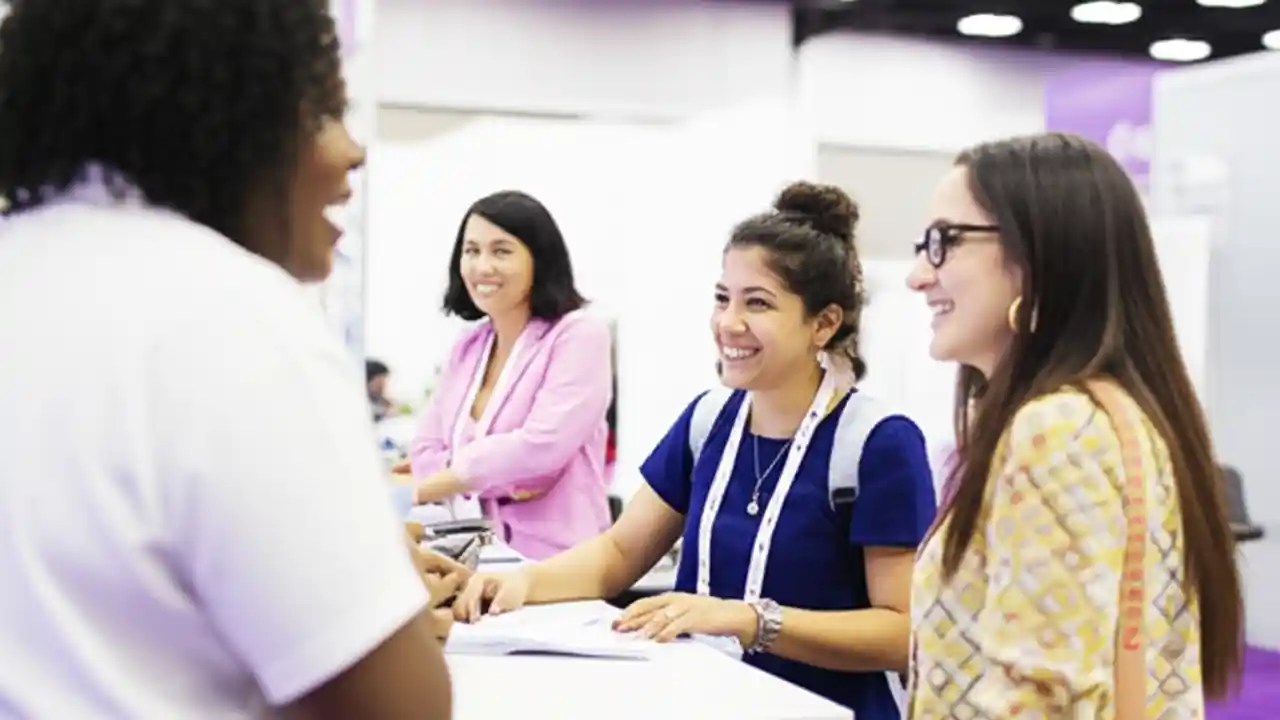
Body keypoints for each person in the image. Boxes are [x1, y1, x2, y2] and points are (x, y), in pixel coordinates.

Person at [0, 2, 451, 718]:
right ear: (233, 110)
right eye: (325, 110)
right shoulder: (233, 316)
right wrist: (387, 609)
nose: (352, 151)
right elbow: (403, 708)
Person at [454, 181, 938, 718]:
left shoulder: (878, 443)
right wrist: (522, 581)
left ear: (823, 323)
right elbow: (617, 556)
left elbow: (900, 632)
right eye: (722, 298)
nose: (729, 323)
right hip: (703, 701)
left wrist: (747, 619)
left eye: (758, 303)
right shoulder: (710, 423)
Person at [904, 132, 1244, 717]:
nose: (916, 275)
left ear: (1038, 253)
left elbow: (1041, 702)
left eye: (943, 242)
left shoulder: (1058, 430)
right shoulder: (1108, 414)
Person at [406, 190, 613, 560]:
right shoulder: (468, 346)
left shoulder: (578, 335)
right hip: (468, 560)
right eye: (471, 251)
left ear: (540, 260)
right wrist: (498, 477)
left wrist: (449, 480)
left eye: (501, 251)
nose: (482, 266)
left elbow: (542, 448)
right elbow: (423, 450)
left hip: (556, 565)